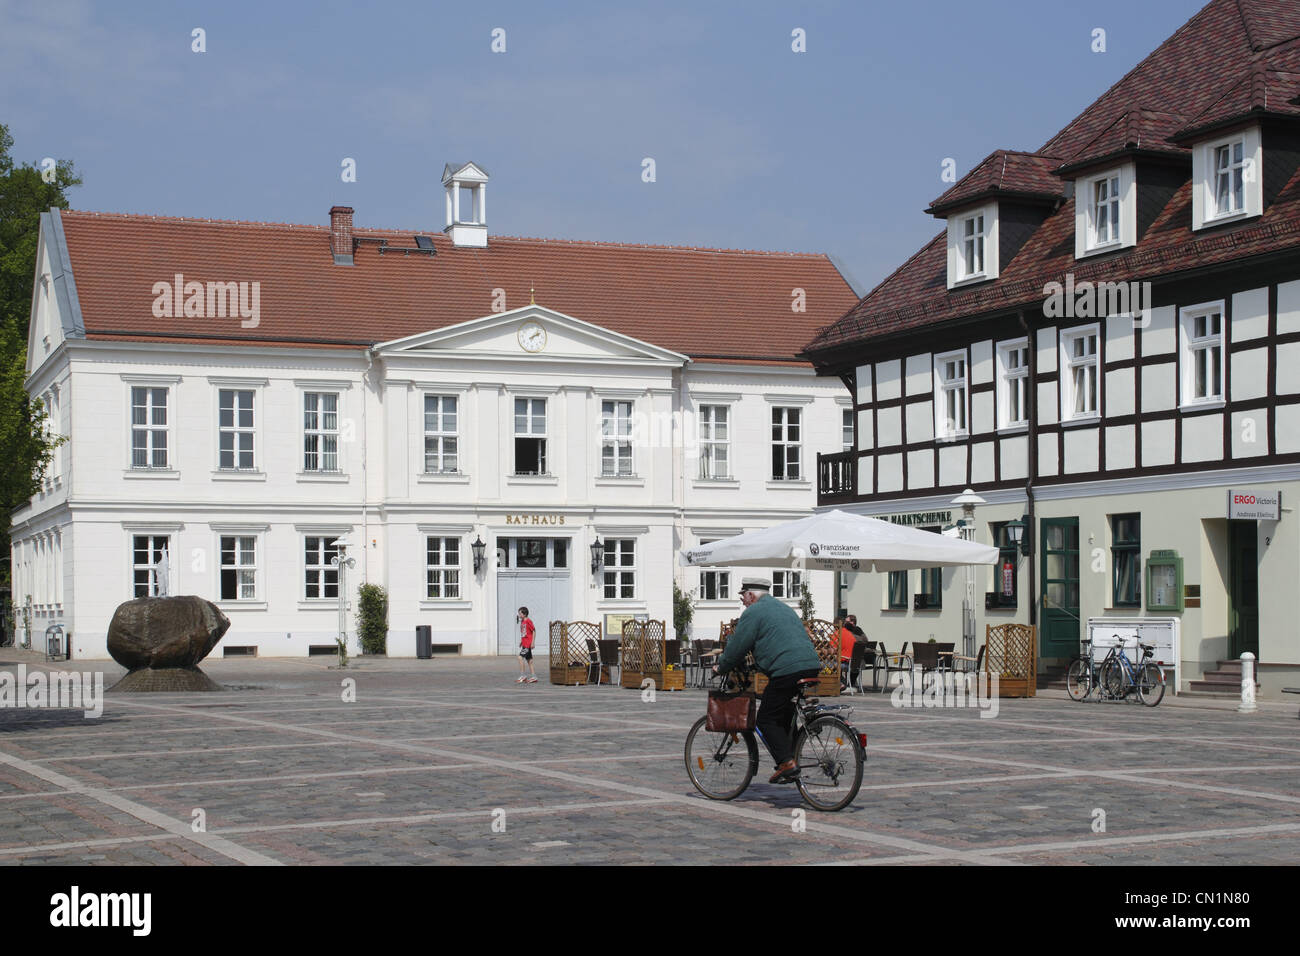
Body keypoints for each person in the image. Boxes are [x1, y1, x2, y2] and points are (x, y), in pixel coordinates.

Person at [712, 576, 822, 784]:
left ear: (751, 595)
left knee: (765, 719)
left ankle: (787, 764)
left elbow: (738, 646)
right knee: (782, 714)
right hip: (810, 664)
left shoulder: (753, 612)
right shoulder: (784, 608)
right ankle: (791, 756)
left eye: (743, 596)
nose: (742, 601)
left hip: (787, 670)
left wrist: (722, 666)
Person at [516, 607, 538, 683]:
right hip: (524, 643)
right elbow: (524, 633)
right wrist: (521, 641)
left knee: (520, 657)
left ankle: (523, 675)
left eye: (520, 613)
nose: (519, 615)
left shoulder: (528, 621)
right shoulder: (522, 622)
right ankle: (534, 677)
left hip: (528, 644)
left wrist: (533, 642)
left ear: (524, 614)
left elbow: (534, 631)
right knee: (529, 661)